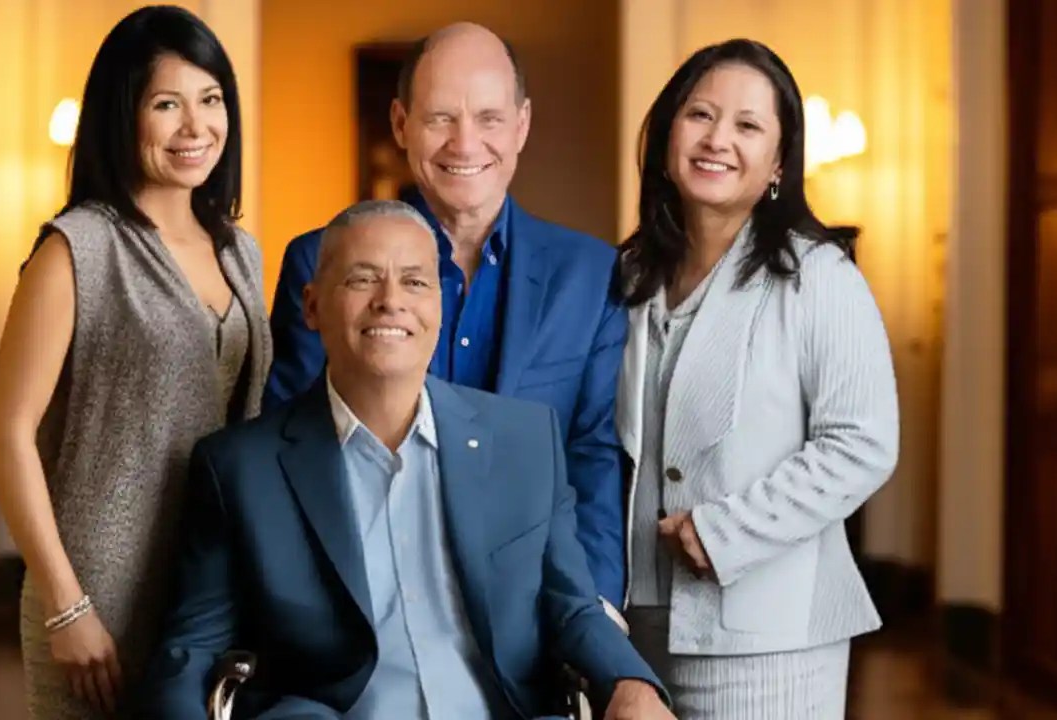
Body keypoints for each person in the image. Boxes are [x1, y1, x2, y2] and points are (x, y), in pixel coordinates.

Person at [147, 201, 675, 720]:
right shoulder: (240, 467)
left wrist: (631, 685)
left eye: (416, 282)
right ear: (311, 306)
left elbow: (573, 607)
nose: (390, 301)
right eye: (362, 279)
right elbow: (191, 653)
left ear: (439, 308)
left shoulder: (525, 439)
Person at [266, 22, 629, 613]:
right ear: (400, 124)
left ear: (522, 125)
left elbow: (591, 457)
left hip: (531, 614)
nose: (465, 144)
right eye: (440, 118)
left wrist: (597, 620)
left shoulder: (590, 275)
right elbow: (288, 446)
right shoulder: (318, 260)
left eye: (488, 118)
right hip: (362, 603)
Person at [0, 6, 271, 717]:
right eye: (166, 104)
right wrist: (64, 605)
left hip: (207, 591)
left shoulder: (241, 251)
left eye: (211, 100)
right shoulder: (76, 250)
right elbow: (6, 432)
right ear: (123, 113)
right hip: (95, 598)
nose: (195, 127)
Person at [613, 39, 899, 718]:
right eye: (700, 115)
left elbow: (862, 443)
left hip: (769, 635)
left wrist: (725, 533)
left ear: (778, 161)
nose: (718, 139)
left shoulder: (820, 277)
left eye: (747, 125)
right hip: (636, 627)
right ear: (666, 134)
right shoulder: (628, 277)